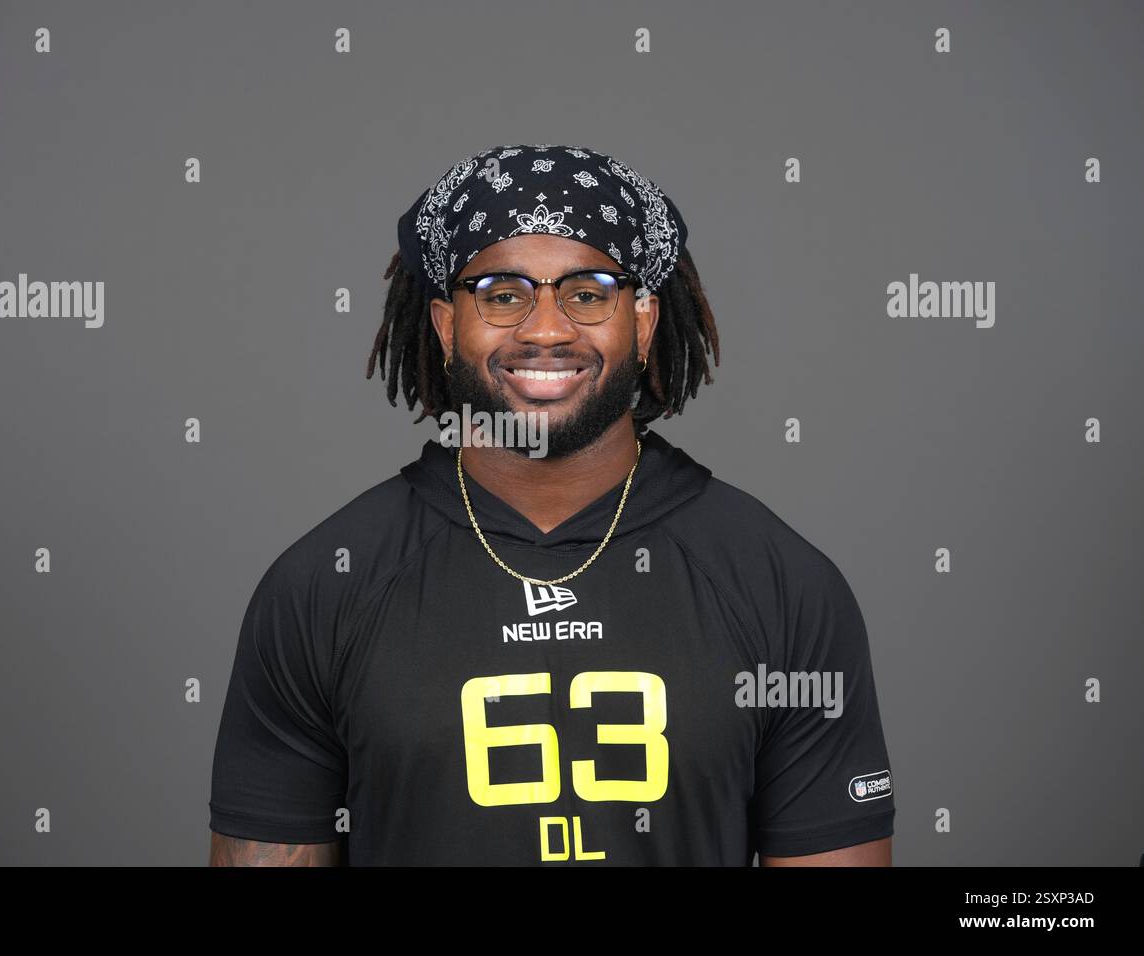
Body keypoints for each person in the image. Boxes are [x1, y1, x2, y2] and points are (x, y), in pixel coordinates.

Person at [207, 144, 895, 866]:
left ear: (644, 319)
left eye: (589, 292)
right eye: (503, 294)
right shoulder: (325, 585)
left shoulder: (778, 582)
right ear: (446, 326)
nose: (545, 329)